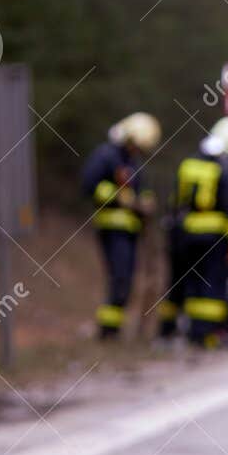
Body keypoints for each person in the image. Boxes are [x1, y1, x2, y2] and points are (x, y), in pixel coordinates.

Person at [169, 116, 228, 348]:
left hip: (188, 236)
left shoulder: (188, 164)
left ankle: (193, 332)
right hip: (214, 239)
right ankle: (207, 335)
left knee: (193, 283)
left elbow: (176, 202)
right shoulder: (225, 169)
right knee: (212, 284)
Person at [79, 113, 161, 340]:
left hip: (130, 231)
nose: (138, 151)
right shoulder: (106, 156)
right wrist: (120, 198)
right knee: (120, 278)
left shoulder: (132, 162)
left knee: (125, 280)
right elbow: (89, 186)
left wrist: (146, 202)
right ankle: (108, 332)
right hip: (112, 229)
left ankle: (112, 330)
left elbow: (140, 189)